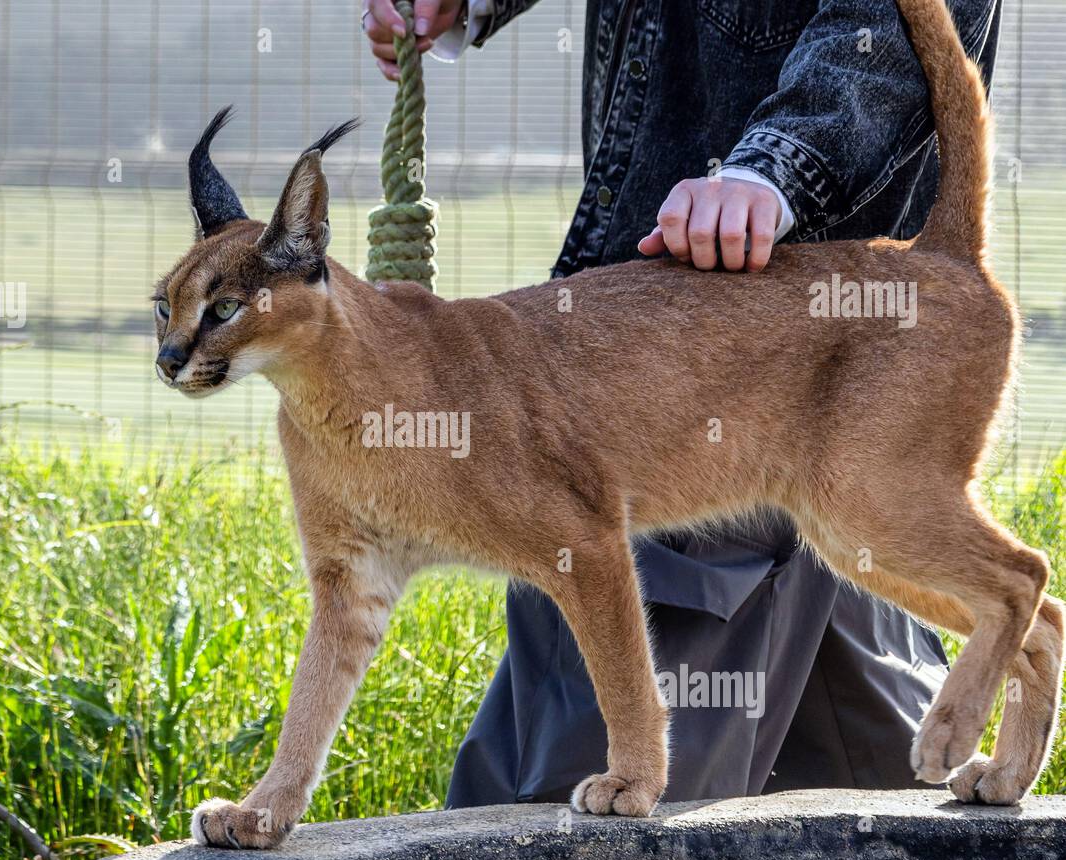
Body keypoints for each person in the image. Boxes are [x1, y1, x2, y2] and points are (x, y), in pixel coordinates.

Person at [363, 0, 1003, 806]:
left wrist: (771, 169)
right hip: (804, 373)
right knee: (890, 801)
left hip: (732, 358)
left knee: (583, 820)